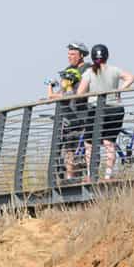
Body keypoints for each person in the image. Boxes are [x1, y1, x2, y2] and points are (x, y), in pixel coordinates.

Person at [75, 44, 134, 179]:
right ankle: (108, 175)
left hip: (96, 110)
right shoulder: (114, 70)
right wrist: (119, 90)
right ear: (107, 56)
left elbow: (80, 92)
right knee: (109, 143)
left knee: (89, 143)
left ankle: (91, 175)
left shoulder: (89, 72)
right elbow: (131, 77)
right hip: (115, 110)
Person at [47, 42, 90, 179]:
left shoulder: (88, 69)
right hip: (69, 116)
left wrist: (54, 95)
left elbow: (78, 92)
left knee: (85, 147)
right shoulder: (67, 70)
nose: (69, 57)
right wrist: (53, 93)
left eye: (73, 54)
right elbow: (64, 91)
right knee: (69, 148)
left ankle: (88, 178)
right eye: (68, 54)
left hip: (83, 113)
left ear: (81, 55)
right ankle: (70, 179)